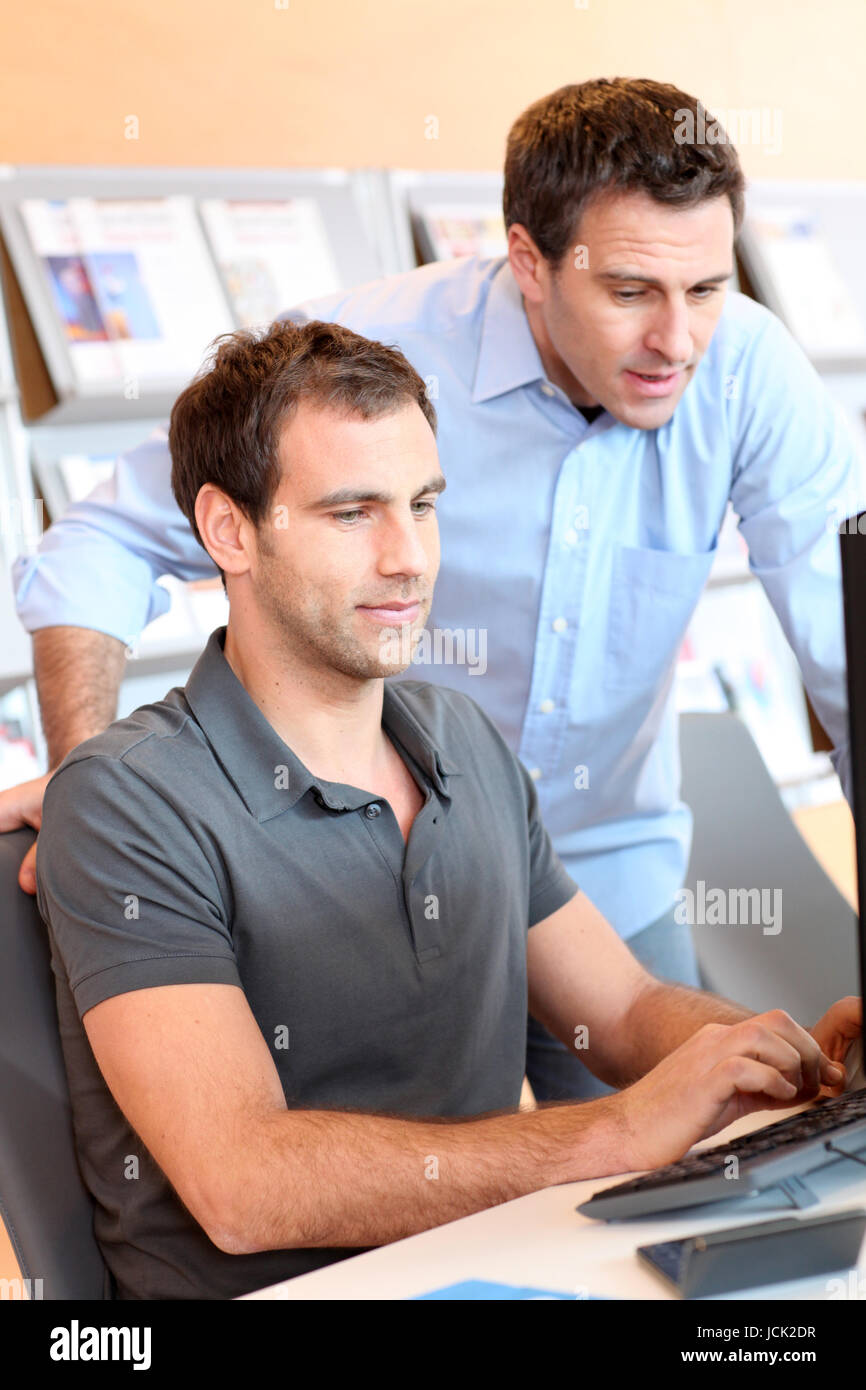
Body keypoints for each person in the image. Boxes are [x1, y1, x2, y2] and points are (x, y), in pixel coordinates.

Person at [5, 78, 863, 1104]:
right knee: (402, 1200)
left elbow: (851, 659)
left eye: (706, 289)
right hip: (375, 889)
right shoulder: (375, 360)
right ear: (527, 261)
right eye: (631, 291)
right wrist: (88, 782)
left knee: (670, 1204)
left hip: (607, 882)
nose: (675, 339)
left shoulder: (744, 375)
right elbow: (101, 539)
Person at [36, 318, 857, 1300]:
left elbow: (623, 1011)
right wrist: (610, 1130)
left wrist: (798, 1062)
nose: (408, 558)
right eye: (352, 513)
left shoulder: (459, 736)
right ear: (229, 530)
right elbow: (241, 1182)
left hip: (501, 1268)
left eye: (422, 504)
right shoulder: (128, 799)